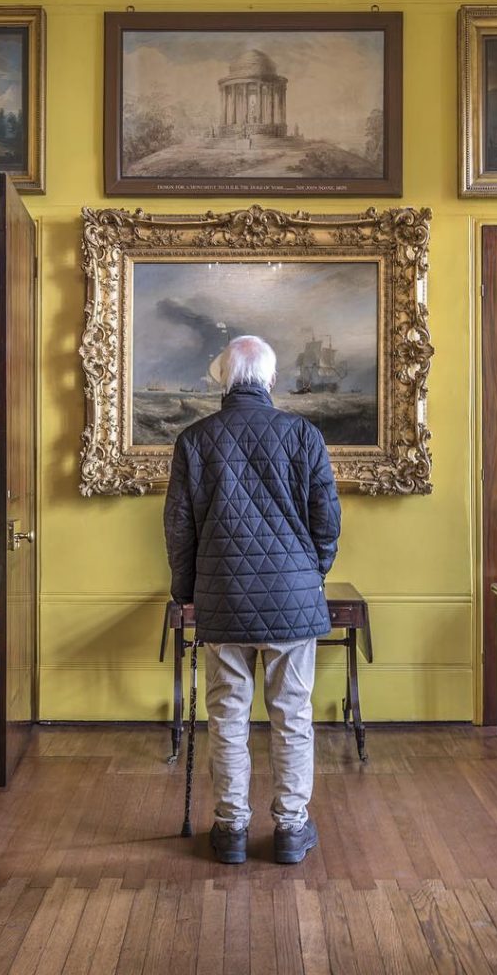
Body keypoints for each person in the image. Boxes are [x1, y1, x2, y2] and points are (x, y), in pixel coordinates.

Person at [163, 335, 341, 865]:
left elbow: (180, 532)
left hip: (223, 601)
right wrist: (312, 571)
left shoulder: (194, 441)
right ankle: (290, 830)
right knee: (292, 716)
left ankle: (231, 828)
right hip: (293, 599)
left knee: (228, 718)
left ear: (225, 379)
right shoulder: (303, 434)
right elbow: (327, 521)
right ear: (269, 379)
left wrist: (186, 593)